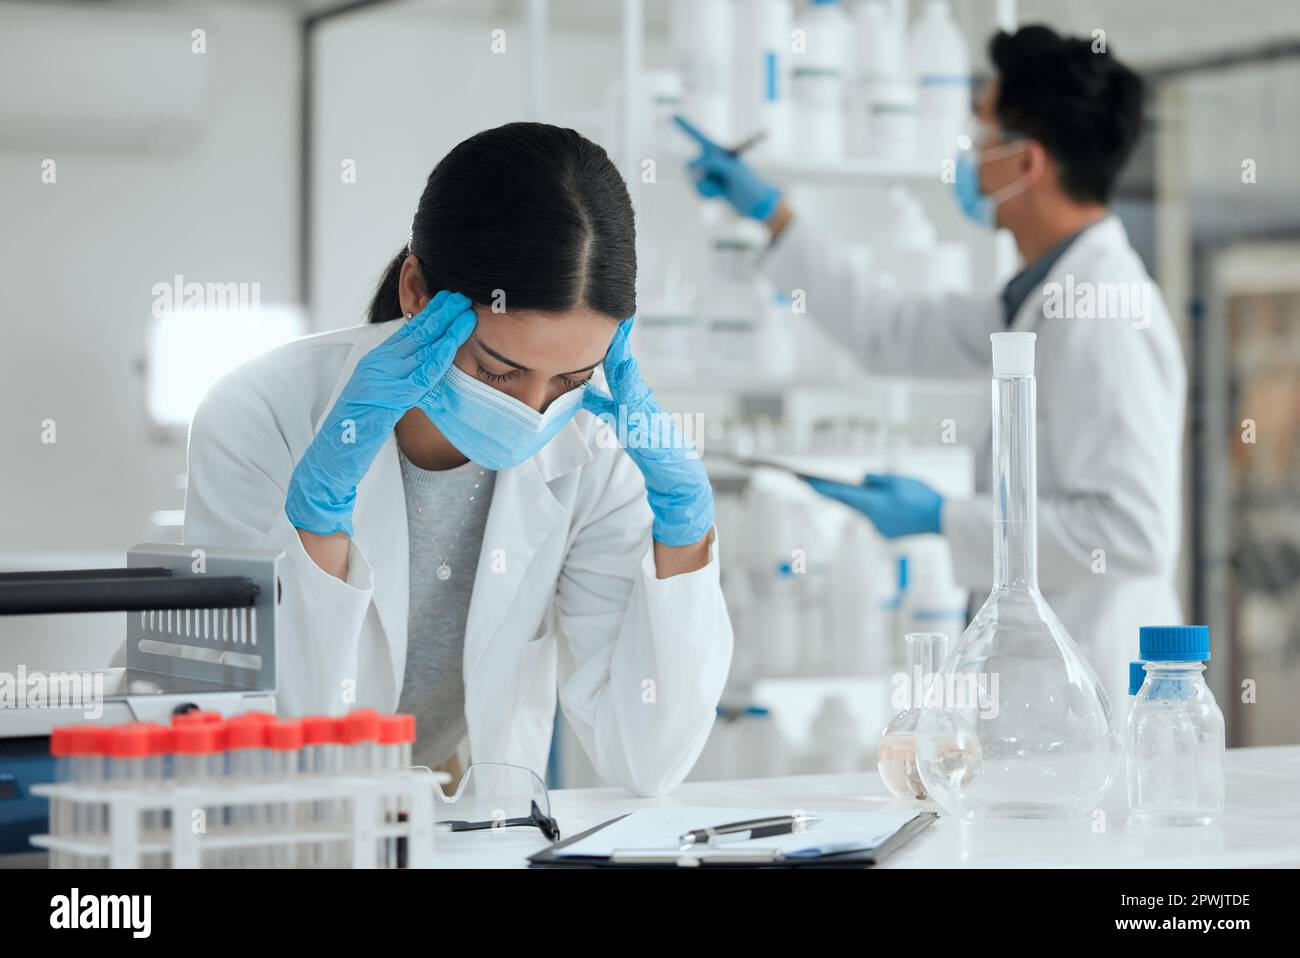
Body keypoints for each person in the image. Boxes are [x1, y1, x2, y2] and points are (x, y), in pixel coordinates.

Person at [184, 122, 732, 796]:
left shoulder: (597, 448)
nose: (535, 410)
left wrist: (686, 532)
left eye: (570, 378)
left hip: (435, 804)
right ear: (417, 292)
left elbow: (647, 757)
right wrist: (320, 516)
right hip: (232, 814)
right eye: (501, 371)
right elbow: (273, 742)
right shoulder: (259, 411)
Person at [677, 26, 1185, 708]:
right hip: (1051, 686)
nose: (970, 160)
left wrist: (945, 517)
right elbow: (891, 330)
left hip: (1093, 680)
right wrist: (772, 214)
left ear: (1026, 163)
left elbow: (1133, 534)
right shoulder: (1044, 294)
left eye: (981, 140)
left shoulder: (1101, 312)